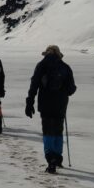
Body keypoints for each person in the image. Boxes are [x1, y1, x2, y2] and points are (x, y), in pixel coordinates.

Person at [25, 44, 76, 173]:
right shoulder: (65, 67)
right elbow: (71, 89)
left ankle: (50, 159)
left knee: (48, 130)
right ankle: (57, 158)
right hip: (60, 105)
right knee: (58, 131)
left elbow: (34, 84)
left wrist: (29, 102)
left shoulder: (41, 65)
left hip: (45, 104)